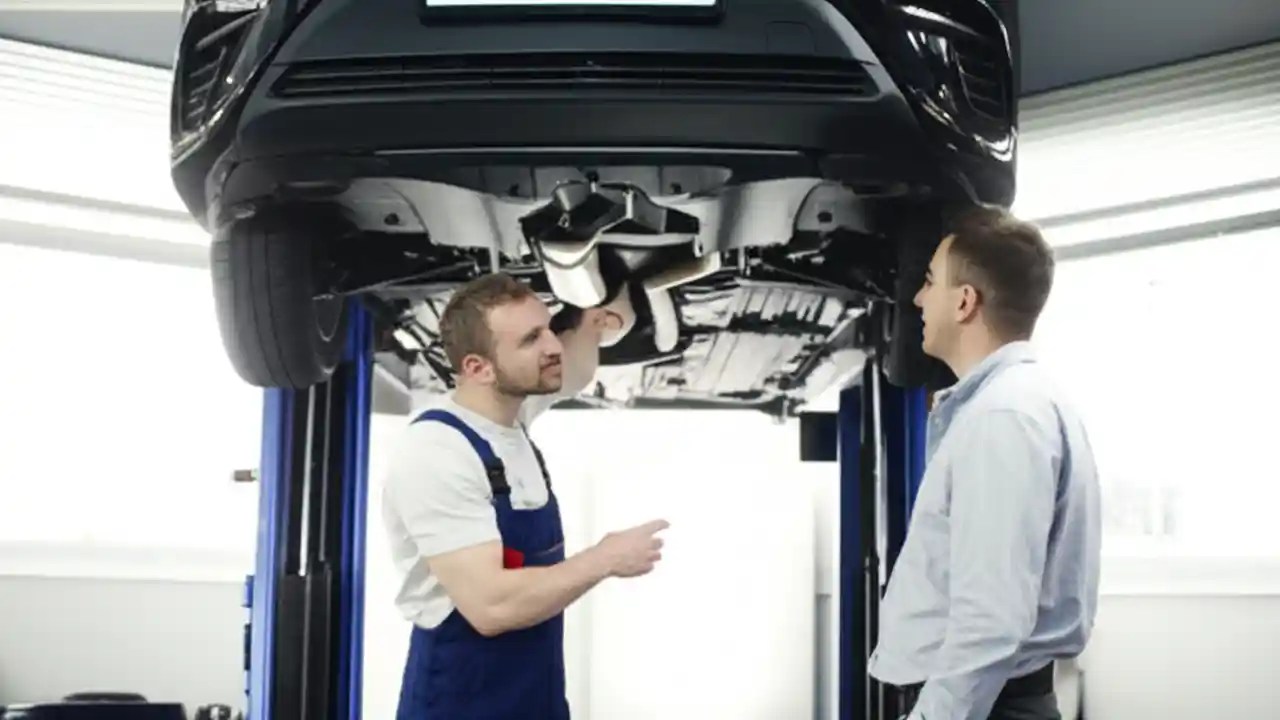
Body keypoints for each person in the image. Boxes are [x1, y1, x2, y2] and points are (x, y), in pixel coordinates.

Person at [381, 273, 669, 720]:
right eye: (531, 339)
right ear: (478, 368)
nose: (553, 345)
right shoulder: (437, 450)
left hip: (536, 698)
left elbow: (571, 372)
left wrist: (592, 321)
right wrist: (606, 558)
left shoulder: (508, 416)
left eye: (549, 328)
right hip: (462, 704)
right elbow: (491, 607)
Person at [868, 206, 1101, 720]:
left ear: (965, 301)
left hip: (985, 707)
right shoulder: (1017, 403)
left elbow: (991, 619)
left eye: (930, 281)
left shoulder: (1003, 418)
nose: (917, 299)